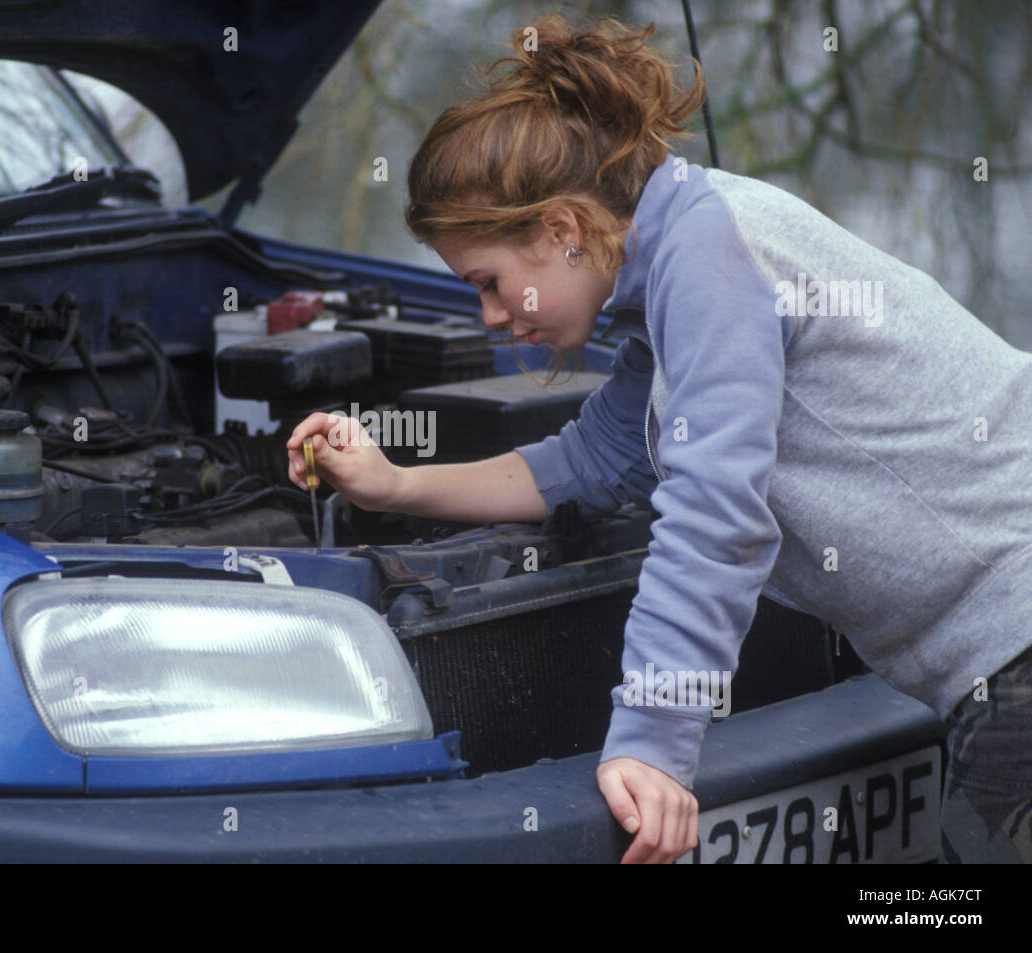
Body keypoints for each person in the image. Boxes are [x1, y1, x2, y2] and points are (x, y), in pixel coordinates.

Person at [286, 13, 1032, 864]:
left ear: (563, 229)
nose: (489, 316)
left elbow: (718, 516)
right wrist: (395, 483)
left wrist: (650, 741)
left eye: (489, 282)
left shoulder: (708, 258)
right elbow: (589, 463)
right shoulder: (680, 254)